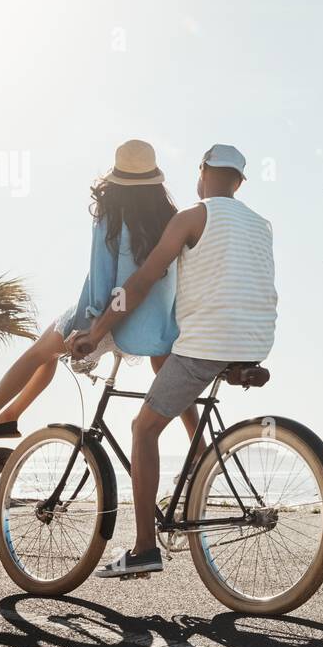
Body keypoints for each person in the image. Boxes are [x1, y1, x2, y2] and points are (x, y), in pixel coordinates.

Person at [67, 144, 277, 578]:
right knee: (168, 372)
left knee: (143, 429)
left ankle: (144, 549)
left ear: (202, 172)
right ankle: (198, 464)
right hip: (254, 344)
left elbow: (142, 280)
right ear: (239, 182)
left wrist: (97, 330)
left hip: (206, 347)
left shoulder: (191, 217)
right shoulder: (261, 225)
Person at [0, 139, 193, 441]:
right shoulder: (171, 218)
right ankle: (199, 447)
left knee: (39, 354)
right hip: (155, 322)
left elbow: (101, 276)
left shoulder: (111, 213)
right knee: (168, 377)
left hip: (109, 314)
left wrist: (93, 324)